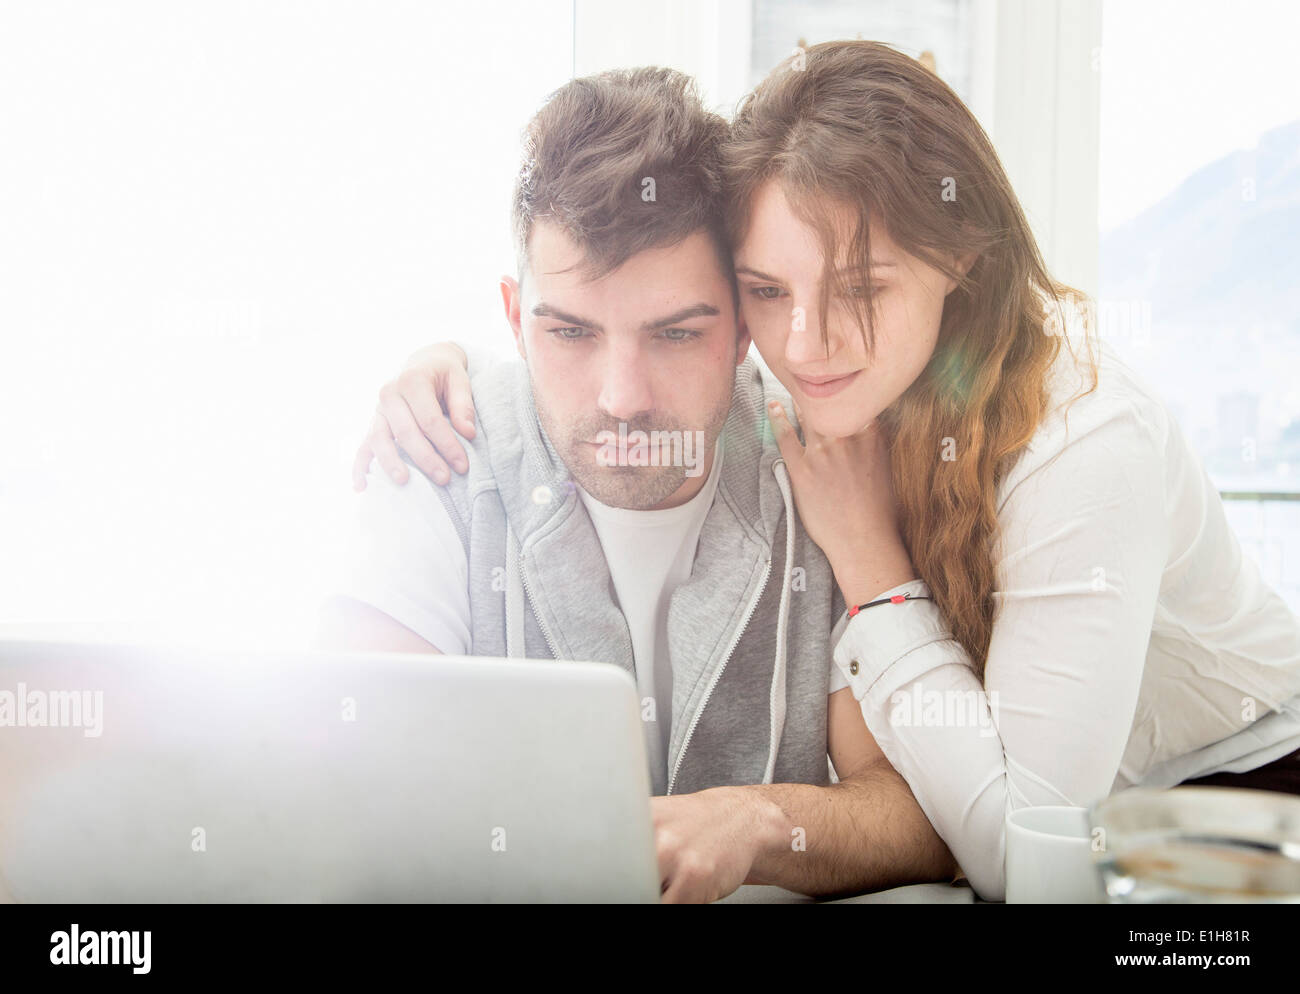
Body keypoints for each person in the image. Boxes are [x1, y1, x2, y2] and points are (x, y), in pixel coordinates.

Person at [354, 41, 1300, 902]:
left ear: (961, 259)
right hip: (1061, 820)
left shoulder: (1082, 442)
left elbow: (1023, 852)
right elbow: (616, 317)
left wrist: (869, 562)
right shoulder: (839, 389)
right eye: (769, 291)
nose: (805, 342)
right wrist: (464, 369)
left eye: (861, 287)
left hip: (1233, 799)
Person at [318, 65, 958, 903]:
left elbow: (918, 815)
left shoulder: (824, 473)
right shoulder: (432, 460)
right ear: (515, 318)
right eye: (572, 333)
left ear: (742, 330)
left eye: (676, 334)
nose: (622, 398)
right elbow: (346, 800)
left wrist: (756, 820)